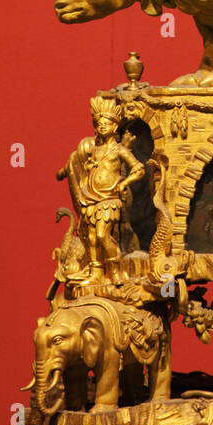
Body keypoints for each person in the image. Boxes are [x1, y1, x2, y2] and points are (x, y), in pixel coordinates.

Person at [57, 96, 146, 284]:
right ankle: (96, 272)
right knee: (91, 238)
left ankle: (116, 270)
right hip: (90, 197)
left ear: (114, 127)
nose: (102, 126)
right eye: (98, 124)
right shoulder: (95, 150)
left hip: (109, 199)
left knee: (102, 235)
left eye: (106, 123)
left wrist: (124, 183)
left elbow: (139, 169)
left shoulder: (119, 150)